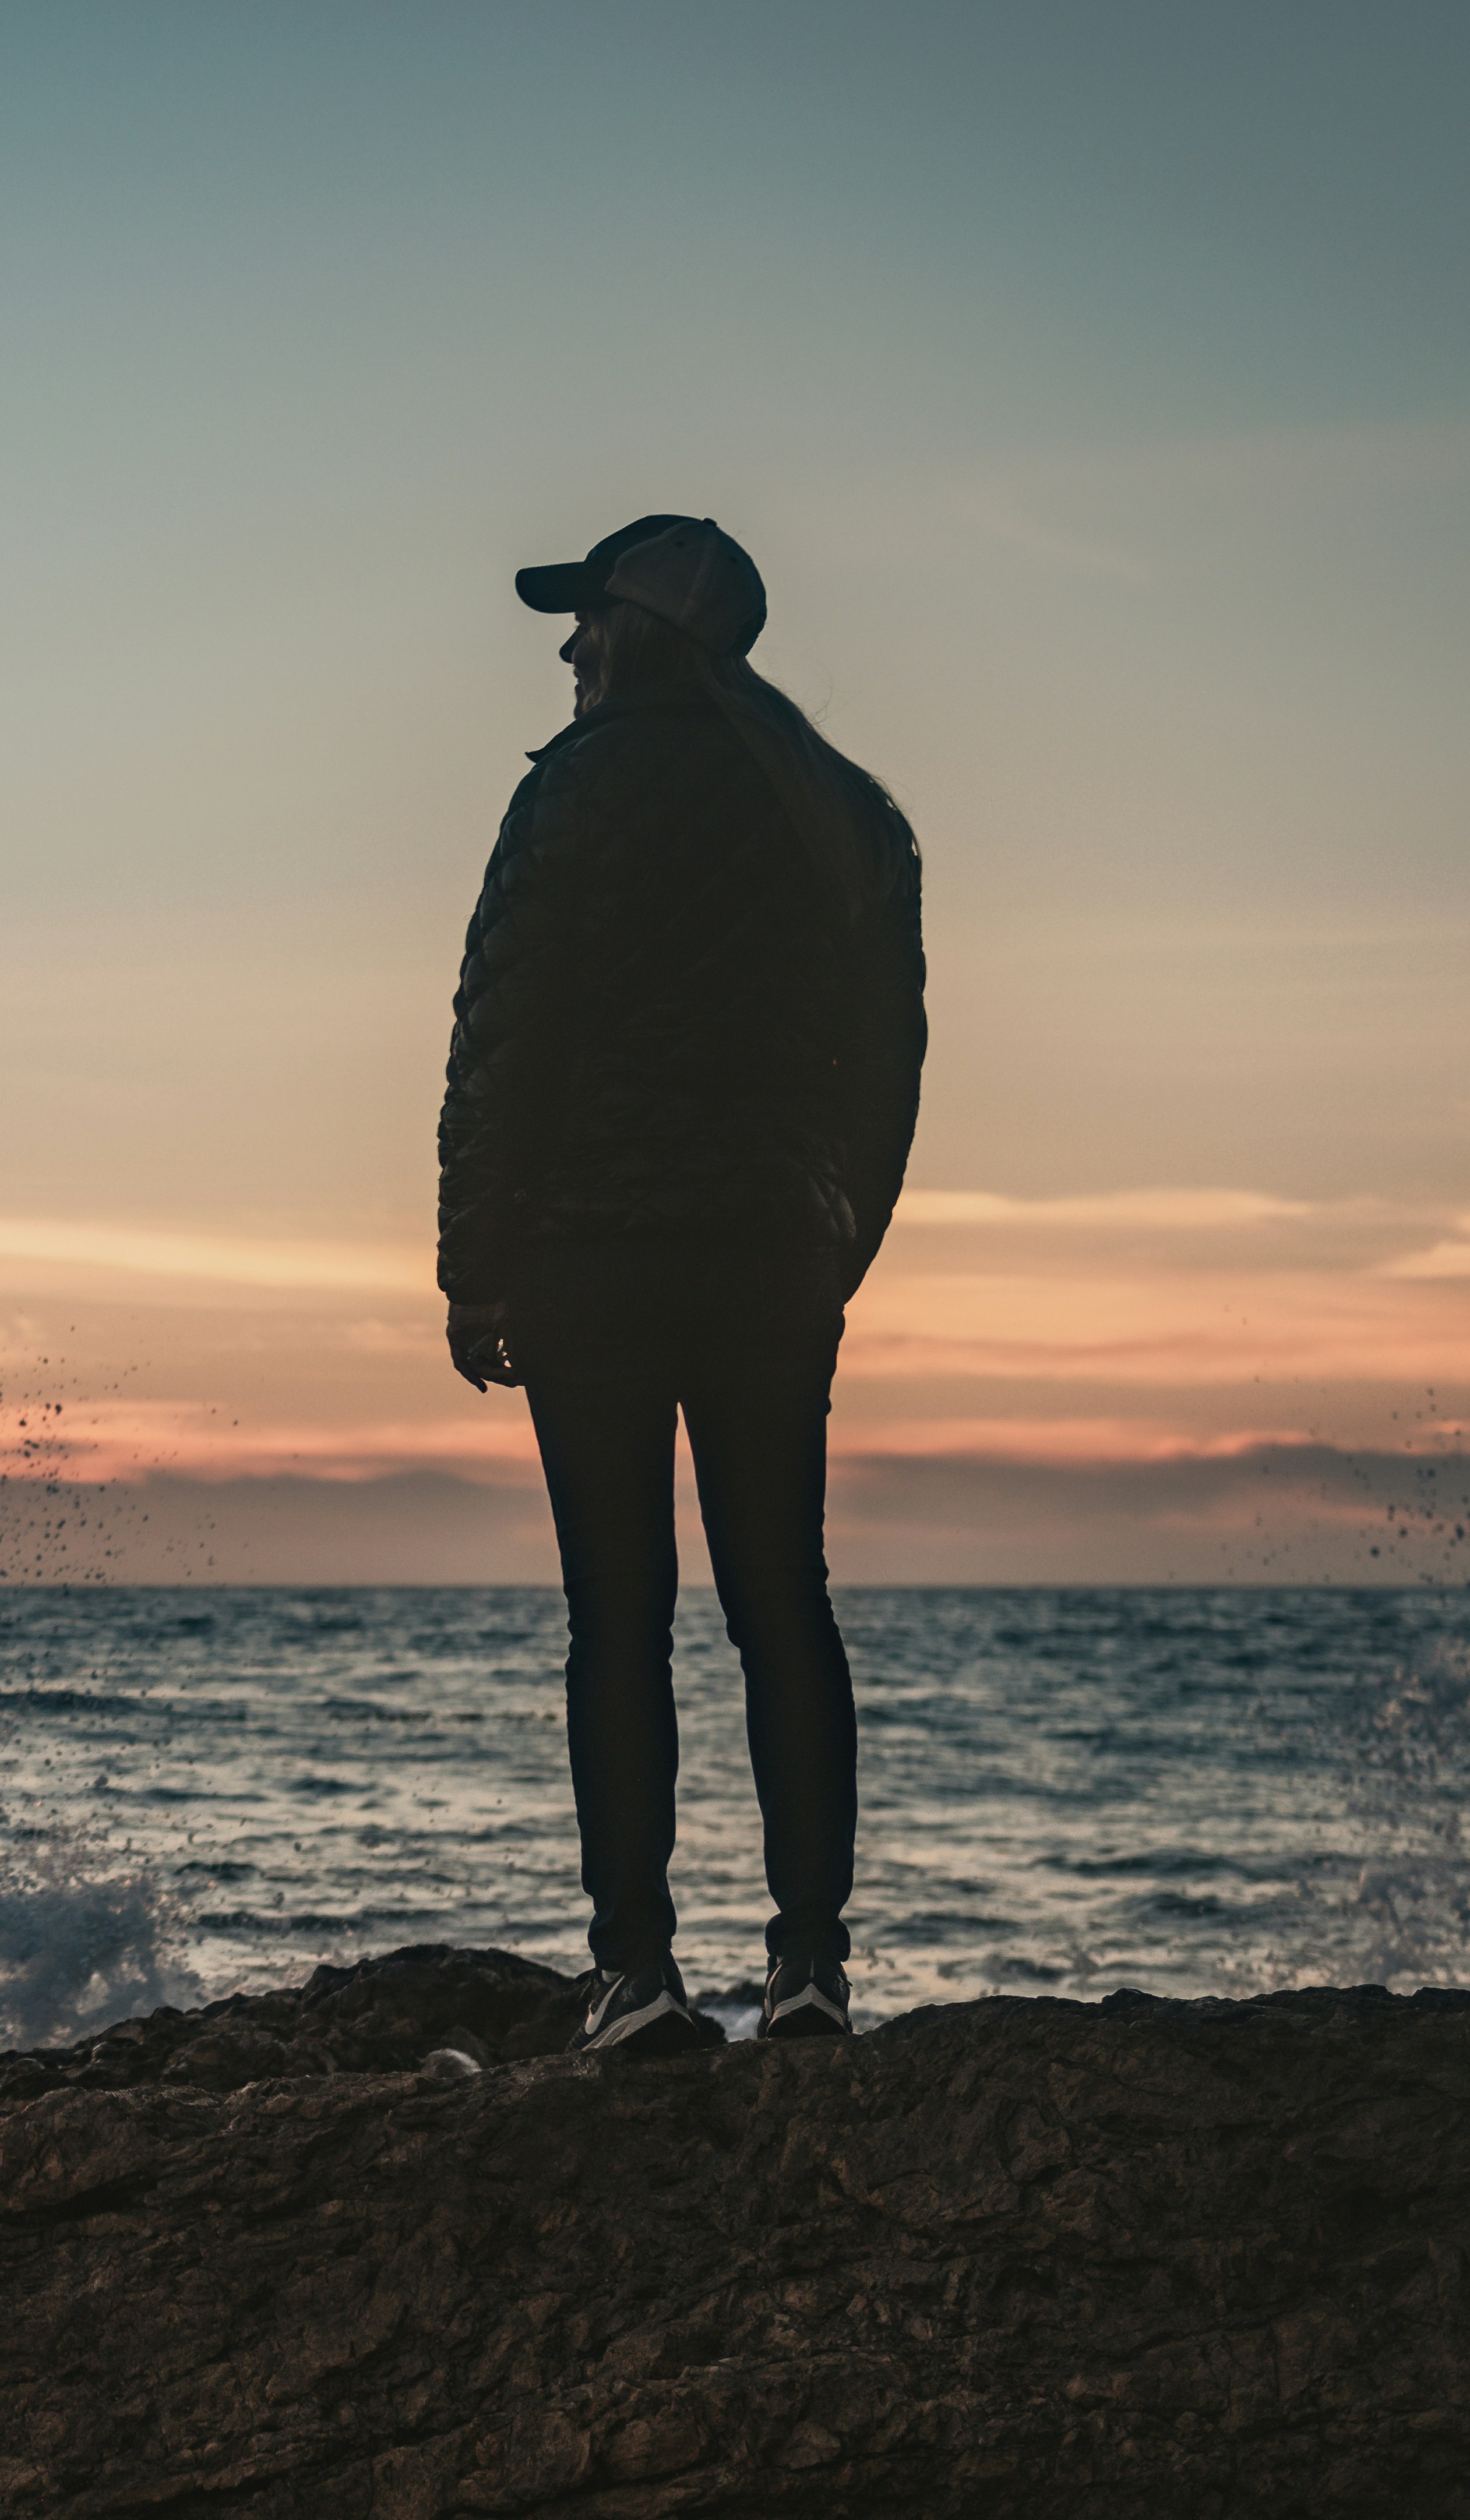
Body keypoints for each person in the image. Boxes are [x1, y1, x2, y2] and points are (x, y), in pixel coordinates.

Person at [435, 515, 925, 2057]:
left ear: (642, 632)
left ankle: (637, 1980)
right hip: (774, 1260)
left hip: (591, 1255)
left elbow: (505, 1035)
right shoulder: (843, 815)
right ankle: (812, 1972)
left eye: (585, 619)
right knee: (784, 1606)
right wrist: (837, 1242)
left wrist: (475, 1268)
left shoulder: (570, 795)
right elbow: (889, 1061)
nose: (568, 645)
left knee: (620, 1622)